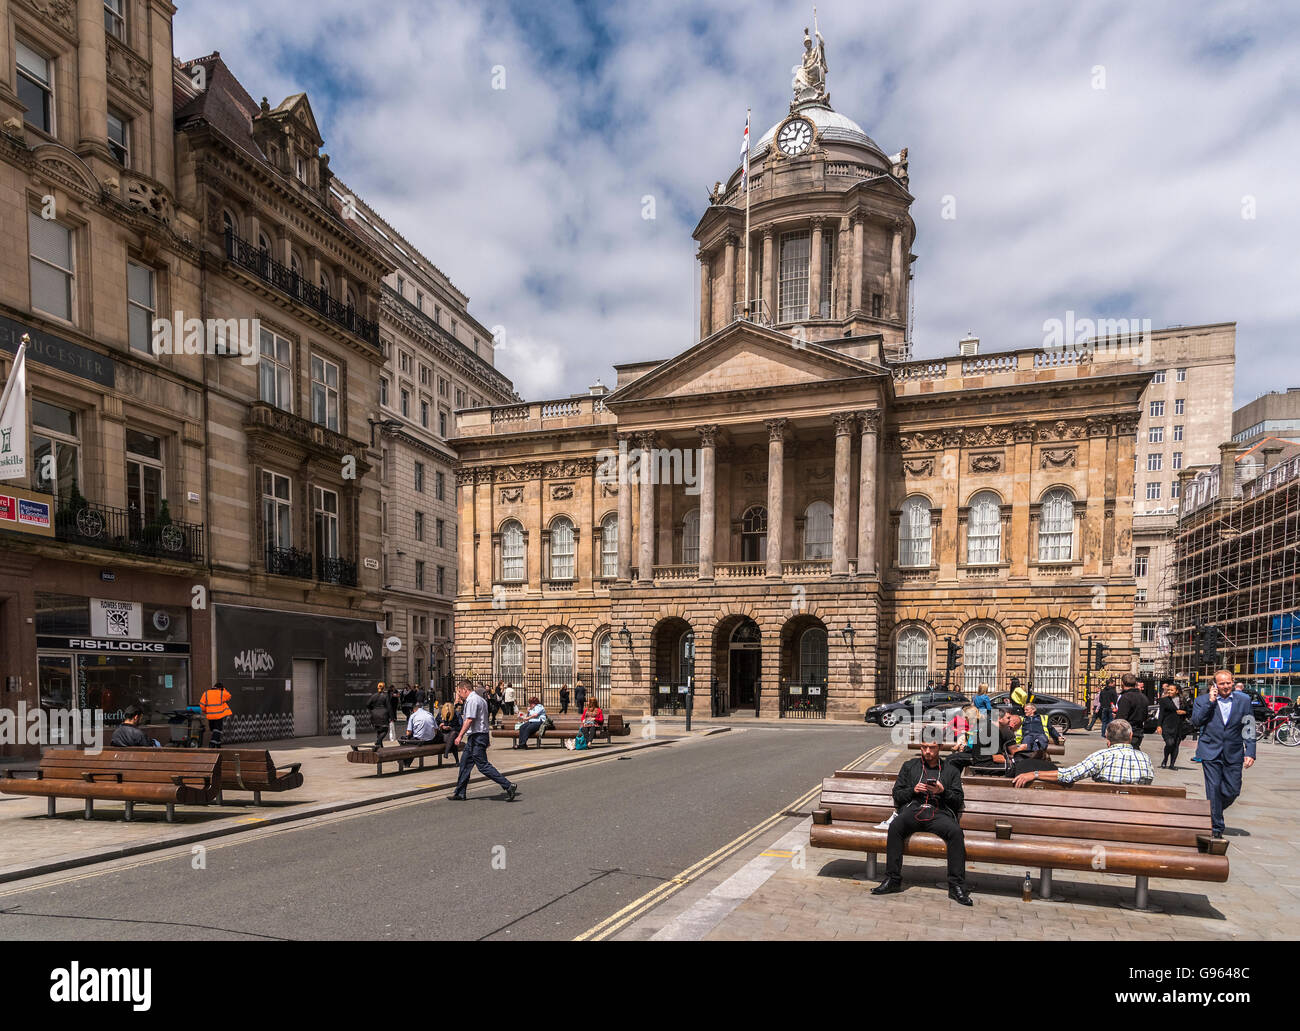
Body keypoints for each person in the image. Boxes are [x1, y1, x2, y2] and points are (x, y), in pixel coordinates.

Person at [871, 729, 971, 906]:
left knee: (956, 832)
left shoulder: (951, 770)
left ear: (939, 747)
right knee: (895, 827)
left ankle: (956, 885)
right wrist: (913, 790)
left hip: (939, 811)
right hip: (914, 809)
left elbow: (957, 801)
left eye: (932, 748)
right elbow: (898, 795)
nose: (927, 752)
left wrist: (943, 791)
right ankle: (892, 879)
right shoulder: (910, 766)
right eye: (924, 747)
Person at [1190, 669, 1257, 838]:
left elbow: (1248, 725)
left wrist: (1250, 751)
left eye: (1228, 683)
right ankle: (1216, 828)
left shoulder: (1244, 700)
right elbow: (1197, 721)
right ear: (1215, 685)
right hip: (1210, 750)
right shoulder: (1202, 700)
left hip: (1234, 751)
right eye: (1222, 684)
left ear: (1233, 682)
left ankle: (1214, 810)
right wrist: (1211, 702)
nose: (1226, 686)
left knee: (1232, 790)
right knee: (1213, 788)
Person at [1011, 719, 1154, 788]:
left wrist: (1035, 774)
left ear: (1107, 738)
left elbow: (1070, 775)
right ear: (1130, 736)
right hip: (1138, 811)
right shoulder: (1145, 758)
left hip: (1106, 811)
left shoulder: (1101, 756)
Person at [450, 679, 517, 802]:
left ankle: (508, 785)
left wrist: (459, 736)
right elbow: (484, 719)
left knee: (483, 765)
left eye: (459, 692)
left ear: (465, 689)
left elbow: (469, 720)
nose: (459, 694)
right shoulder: (480, 699)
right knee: (465, 763)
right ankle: (460, 792)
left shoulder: (472, 700)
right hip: (477, 736)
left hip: (477, 737)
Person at [1158, 682, 1188, 770]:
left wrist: (1184, 712)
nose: (1169, 691)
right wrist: (1159, 726)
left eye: (1172, 690)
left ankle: (1172, 764)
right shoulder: (1164, 700)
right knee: (1169, 743)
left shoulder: (1183, 700)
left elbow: (1189, 711)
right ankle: (1165, 759)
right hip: (1167, 726)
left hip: (1179, 726)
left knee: (1176, 745)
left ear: (1177, 691)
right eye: (1168, 690)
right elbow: (1161, 714)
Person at [1114, 674, 1149, 748]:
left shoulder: (1126, 697)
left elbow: (1121, 719)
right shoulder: (1143, 697)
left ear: (1122, 683)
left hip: (1127, 732)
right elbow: (1145, 716)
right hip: (1139, 731)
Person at [400, 700, 437, 768]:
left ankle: (405, 762)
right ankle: (406, 763)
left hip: (420, 741)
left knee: (408, 743)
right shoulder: (429, 714)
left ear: (414, 710)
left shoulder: (413, 716)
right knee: (414, 743)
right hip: (431, 740)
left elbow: (408, 732)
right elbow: (435, 730)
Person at [199, 681, 233, 747]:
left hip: (210, 716)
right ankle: (212, 743)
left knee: (214, 730)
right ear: (220, 688)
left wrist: (205, 711)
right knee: (217, 730)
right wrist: (223, 689)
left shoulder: (206, 693)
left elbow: (202, 705)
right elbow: (229, 696)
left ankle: (218, 744)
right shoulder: (221, 693)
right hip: (218, 715)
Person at [366, 682, 392, 748]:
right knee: (385, 730)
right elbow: (389, 707)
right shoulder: (386, 696)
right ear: (384, 688)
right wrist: (392, 717)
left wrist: (373, 709)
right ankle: (378, 741)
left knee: (379, 730)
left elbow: (367, 704)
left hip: (374, 715)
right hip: (383, 715)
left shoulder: (374, 695)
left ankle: (380, 746)